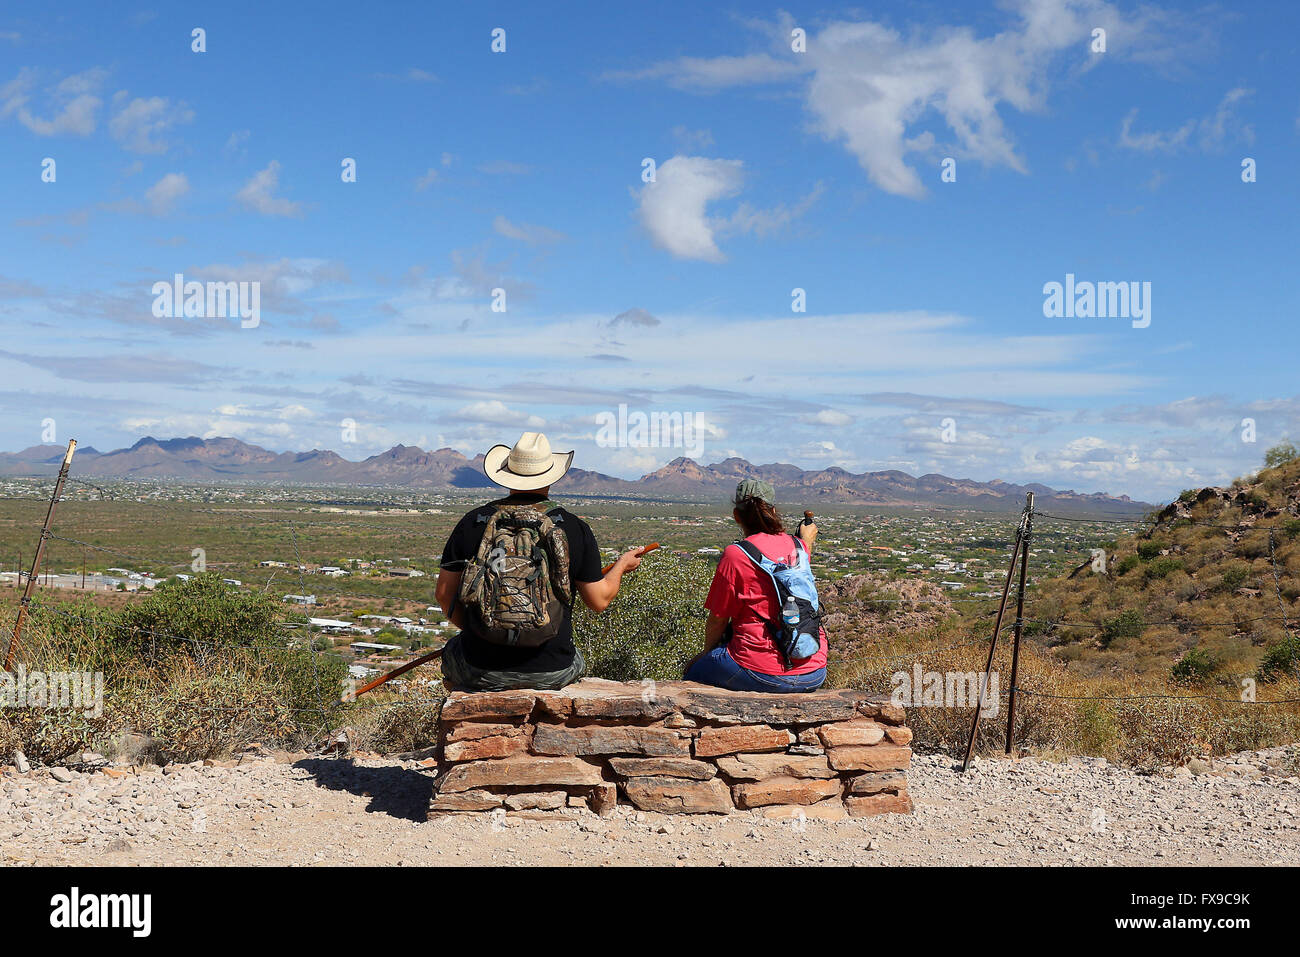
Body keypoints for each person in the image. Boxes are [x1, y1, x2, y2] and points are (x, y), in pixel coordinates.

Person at [434, 431, 645, 692]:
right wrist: (622, 565)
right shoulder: (573, 528)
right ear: (551, 476)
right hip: (552, 670)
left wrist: (483, 630)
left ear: (507, 475)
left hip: (482, 669)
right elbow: (599, 600)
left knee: (454, 649)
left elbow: (445, 595)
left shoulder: (473, 522)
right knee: (577, 659)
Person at [683, 479, 827, 692]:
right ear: (774, 510)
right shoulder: (799, 546)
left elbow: (717, 621)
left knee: (694, 672)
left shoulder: (736, 555)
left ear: (736, 515)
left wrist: (707, 655)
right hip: (814, 670)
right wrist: (806, 541)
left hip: (763, 672)